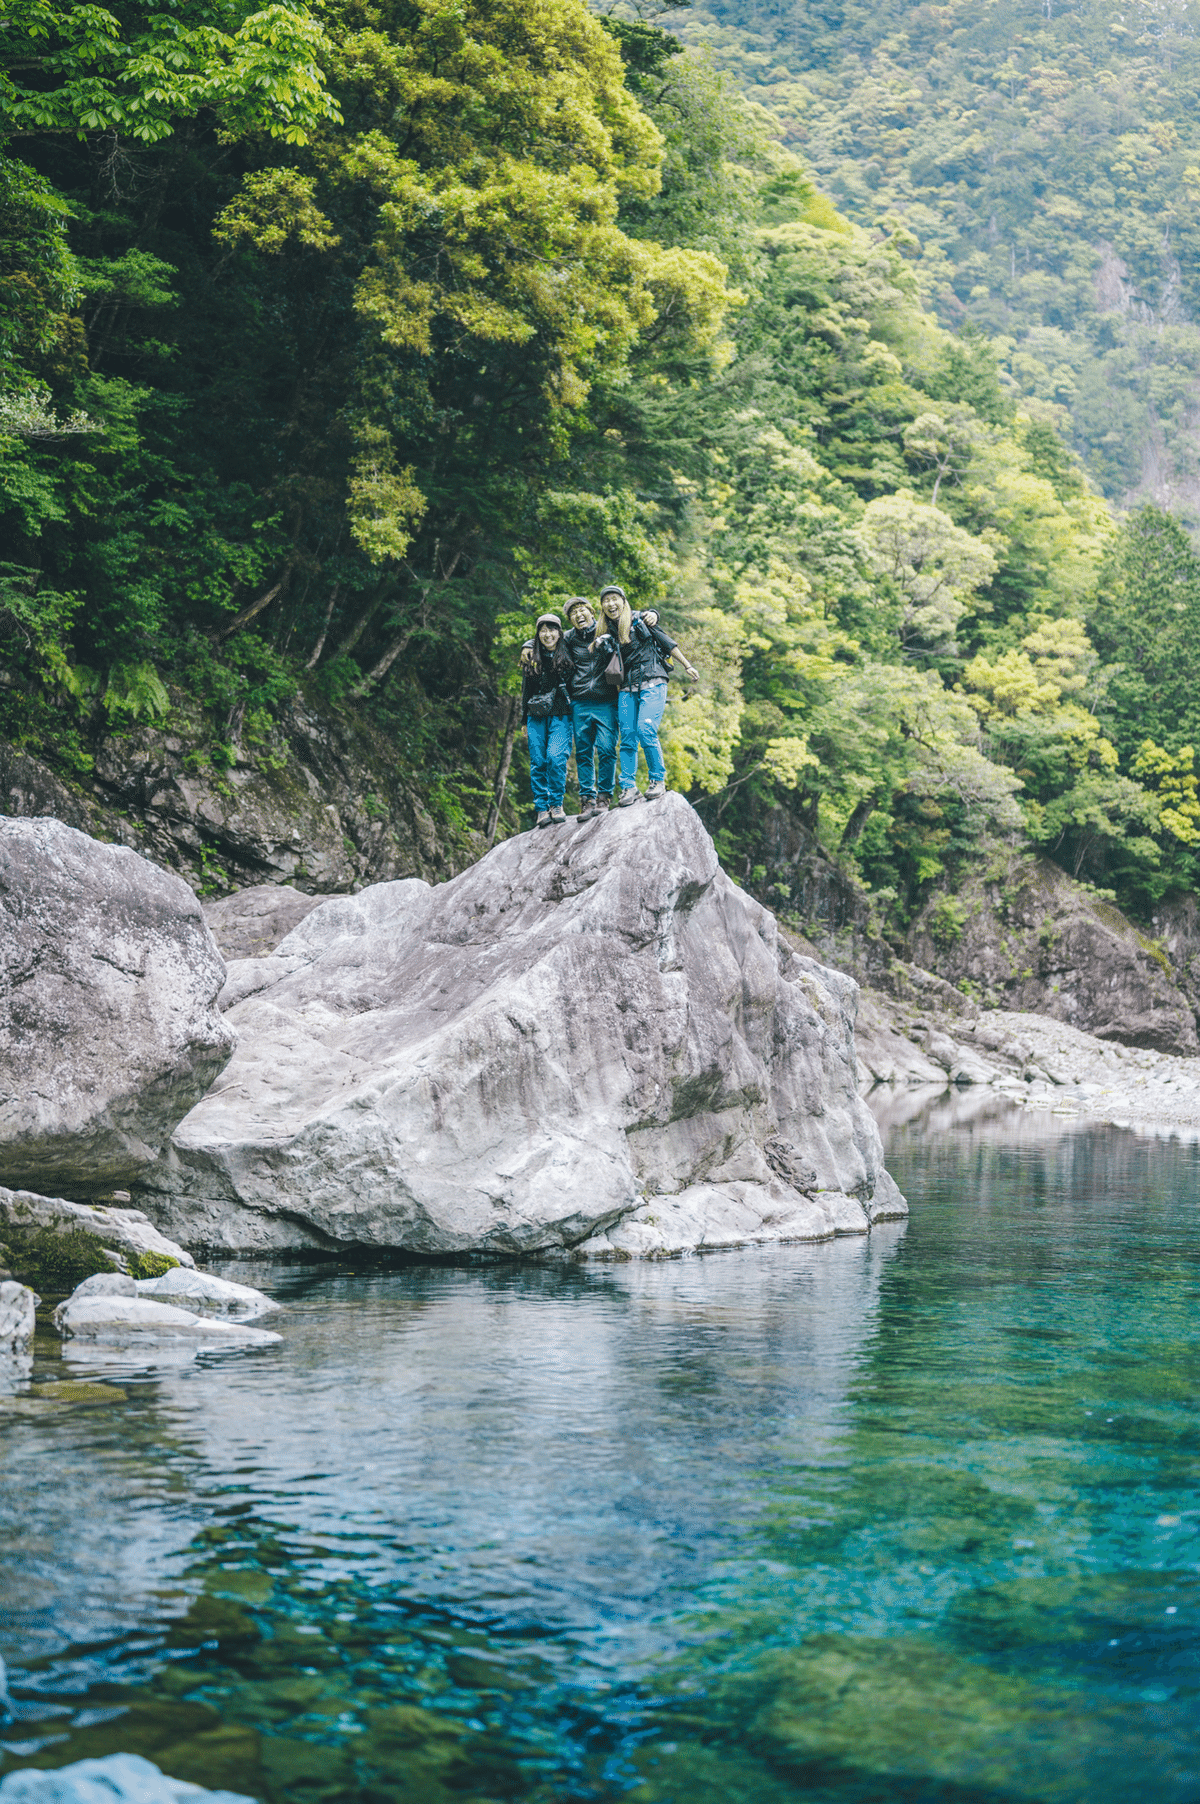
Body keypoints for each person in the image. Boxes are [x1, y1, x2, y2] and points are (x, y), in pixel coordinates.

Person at [598, 584, 699, 806]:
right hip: (626, 687)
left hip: (653, 680)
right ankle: (628, 787)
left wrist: (687, 665)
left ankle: (657, 780)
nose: (611, 604)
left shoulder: (640, 620)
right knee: (627, 736)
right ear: (602, 606)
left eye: (615, 599)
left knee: (646, 729)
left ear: (623, 601)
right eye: (606, 601)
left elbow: (666, 642)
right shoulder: (605, 632)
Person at [561, 596, 620, 818]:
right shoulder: (568, 639)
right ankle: (587, 799)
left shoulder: (608, 630)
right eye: (573, 613)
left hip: (607, 700)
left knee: (606, 749)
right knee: (584, 752)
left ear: (592, 612)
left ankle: (604, 797)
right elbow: (544, 642)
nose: (578, 615)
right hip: (580, 701)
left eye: (581, 610)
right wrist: (527, 646)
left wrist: (652, 614)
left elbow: (630, 622)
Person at [520, 613, 573, 828]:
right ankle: (542, 808)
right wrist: (524, 720)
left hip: (561, 714)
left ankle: (556, 804)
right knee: (538, 762)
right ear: (538, 634)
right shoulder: (532, 658)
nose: (547, 634)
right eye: (543, 630)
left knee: (556, 758)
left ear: (559, 632)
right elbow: (526, 690)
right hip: (536, 716)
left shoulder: (569, 652)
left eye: (552, 629)